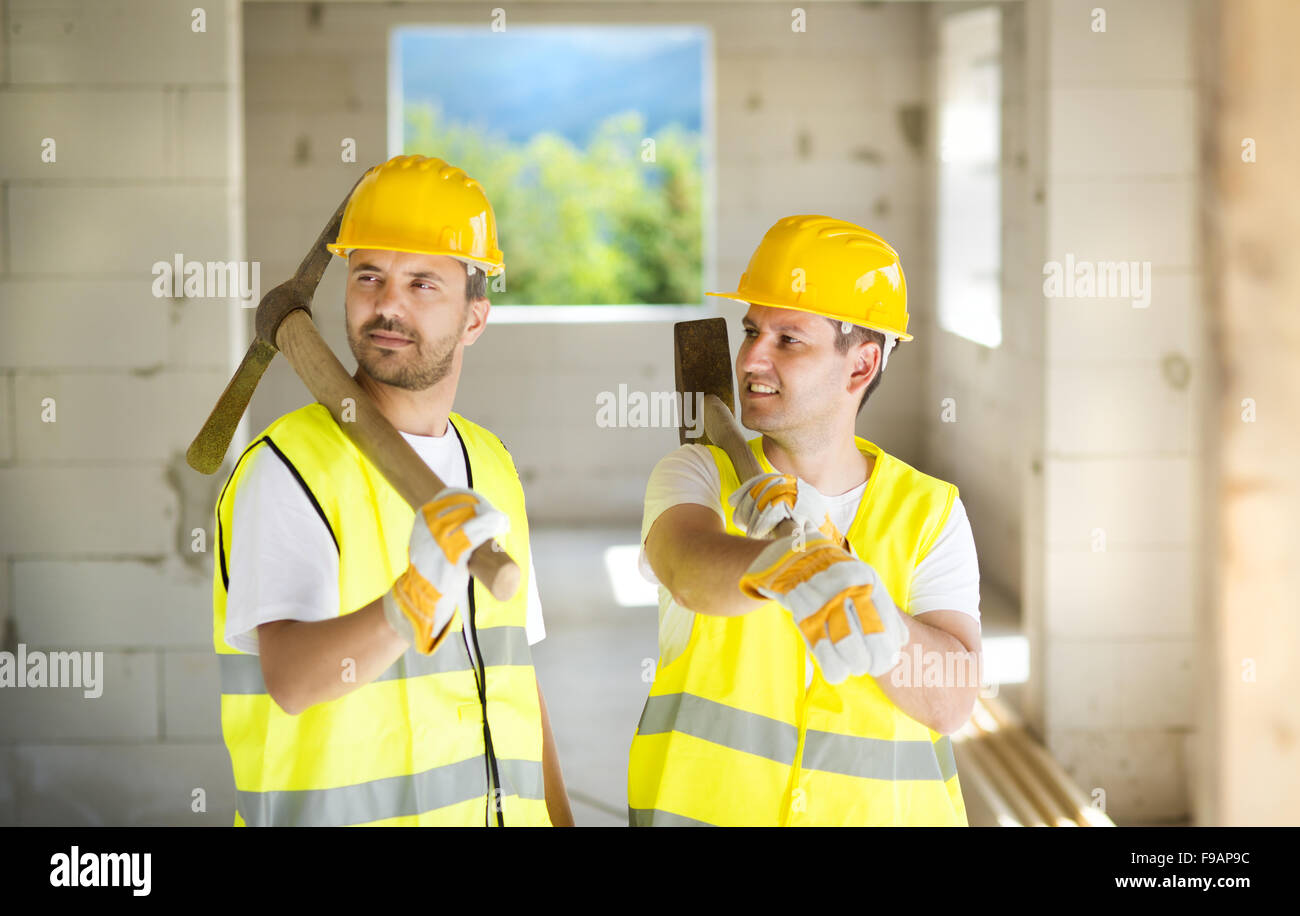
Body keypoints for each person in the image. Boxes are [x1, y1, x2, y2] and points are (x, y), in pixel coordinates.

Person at [211, 154, 573, 826]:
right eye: (368, 276)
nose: (387, 305)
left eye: (422, 284)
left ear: (475, 318)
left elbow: (517, 680)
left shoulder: (490, 464)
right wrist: (408, 605)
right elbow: (291, 680)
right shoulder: (288, 468)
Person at [627, 215, 982, 826]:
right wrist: (784, 564)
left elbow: (949, 704)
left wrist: (876, 614)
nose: (752, 358)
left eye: (789, 340)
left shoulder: (930, 512)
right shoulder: (700, 475)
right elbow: (687, 571)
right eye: (750, 331)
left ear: (860, 366)